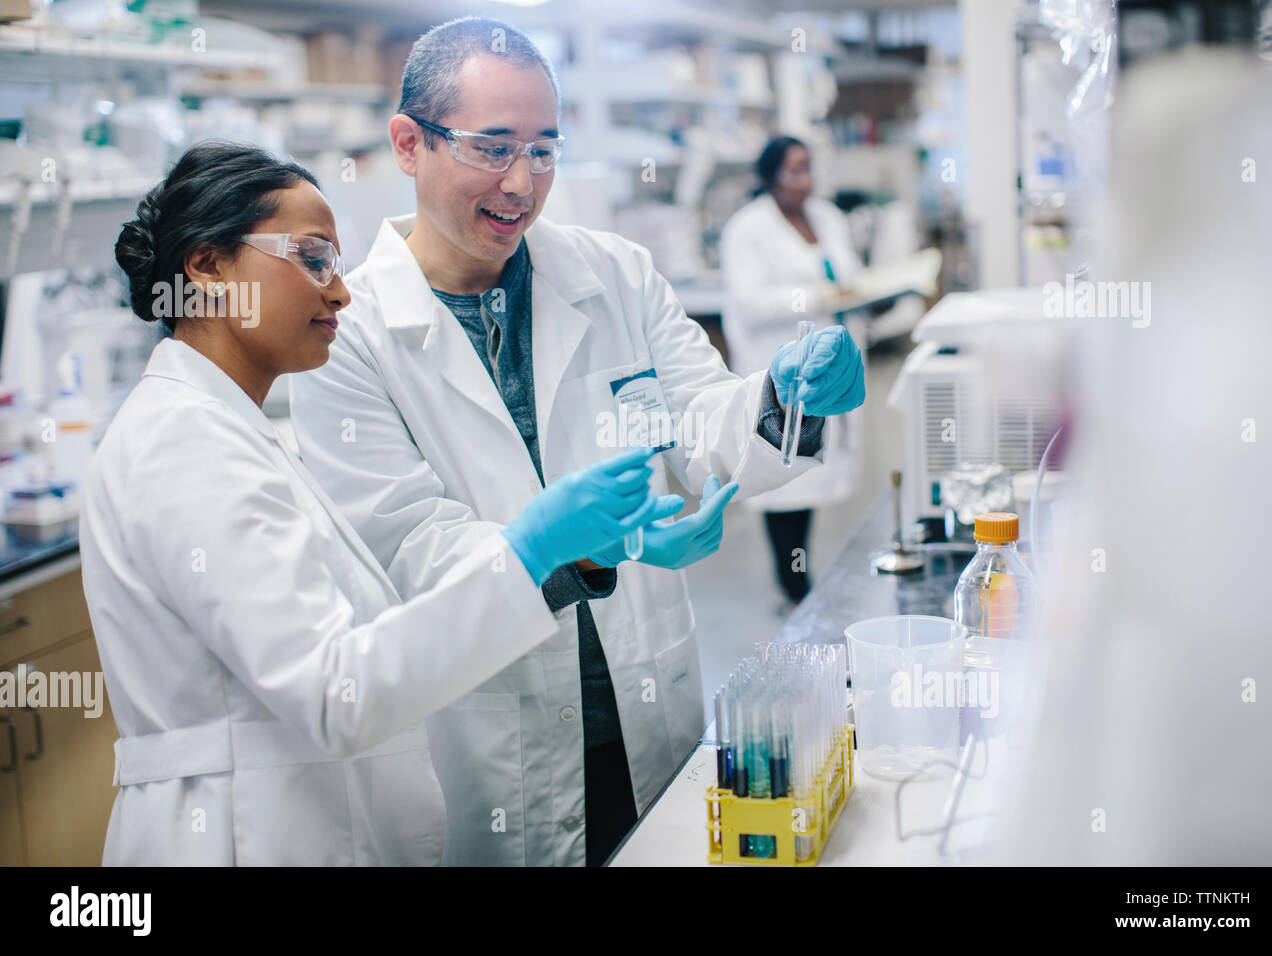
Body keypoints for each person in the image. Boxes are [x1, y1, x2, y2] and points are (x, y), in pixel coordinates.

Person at [289, 17, 866, 867]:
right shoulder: (347, 331)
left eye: (545, 150)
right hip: (484, 742)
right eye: (493, 148)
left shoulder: (616, 273)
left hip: (647, 711)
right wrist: (561, 553)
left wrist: (791, 393)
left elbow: (701, 421)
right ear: (409, 144)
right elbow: (403, 543)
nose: (522, 184)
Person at [82, 141, 667, 865]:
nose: (340, 292)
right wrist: (526, 555)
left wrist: (551, 556)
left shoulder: (228, 428)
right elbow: (340, 693)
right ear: (208, 268)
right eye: (313, 258)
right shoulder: (187, 445)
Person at [720, 135, 868, 608]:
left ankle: (803, 579)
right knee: (786, 481)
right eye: (792, 170)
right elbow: (750, 301)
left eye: (808, 168)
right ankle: (793, 585)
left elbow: (850, 272)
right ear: (769, 176)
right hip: (783, 368)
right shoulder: (747, 229)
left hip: (829, 363)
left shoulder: (827, 217)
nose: (804, 180)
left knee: (818, 474)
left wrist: (855, 289)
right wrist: (819, 296)